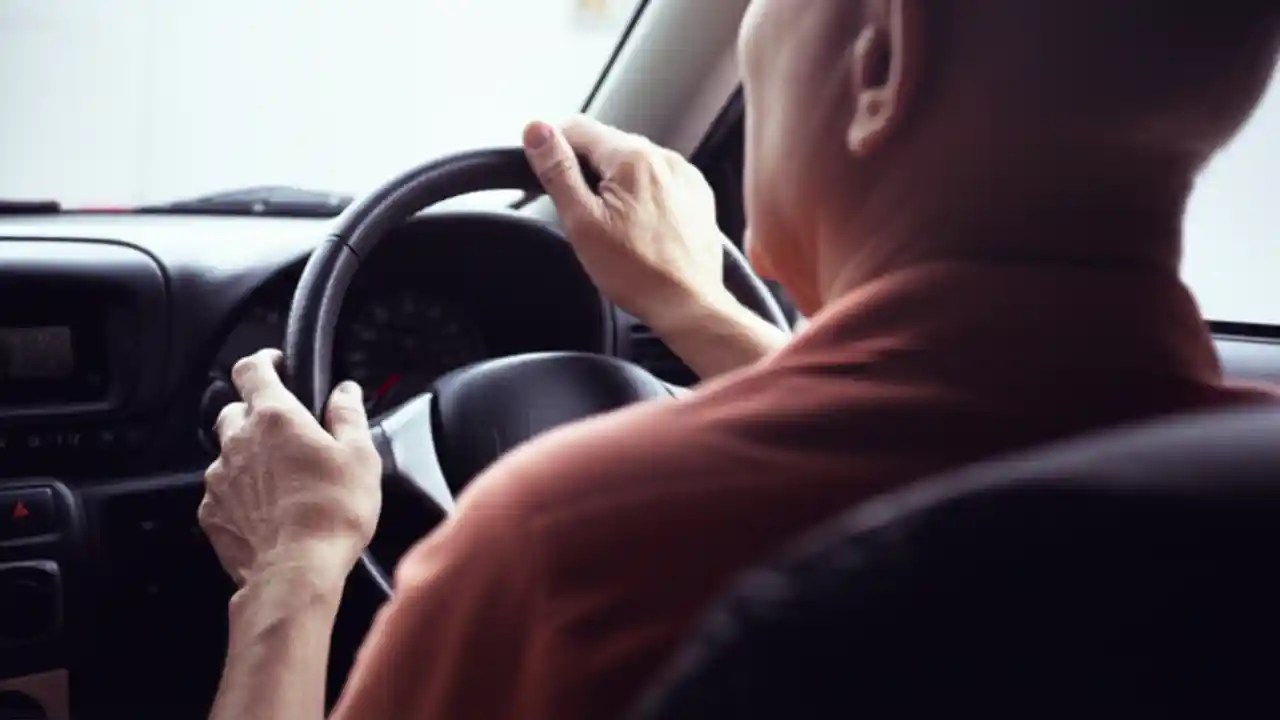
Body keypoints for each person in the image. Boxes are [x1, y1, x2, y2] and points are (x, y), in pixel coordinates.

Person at [197, 1, 1280, 718]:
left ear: (879, 61)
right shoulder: (1233, 506)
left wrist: (292, 573)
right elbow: (971, 454)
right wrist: (700, 309)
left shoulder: (567, 553)